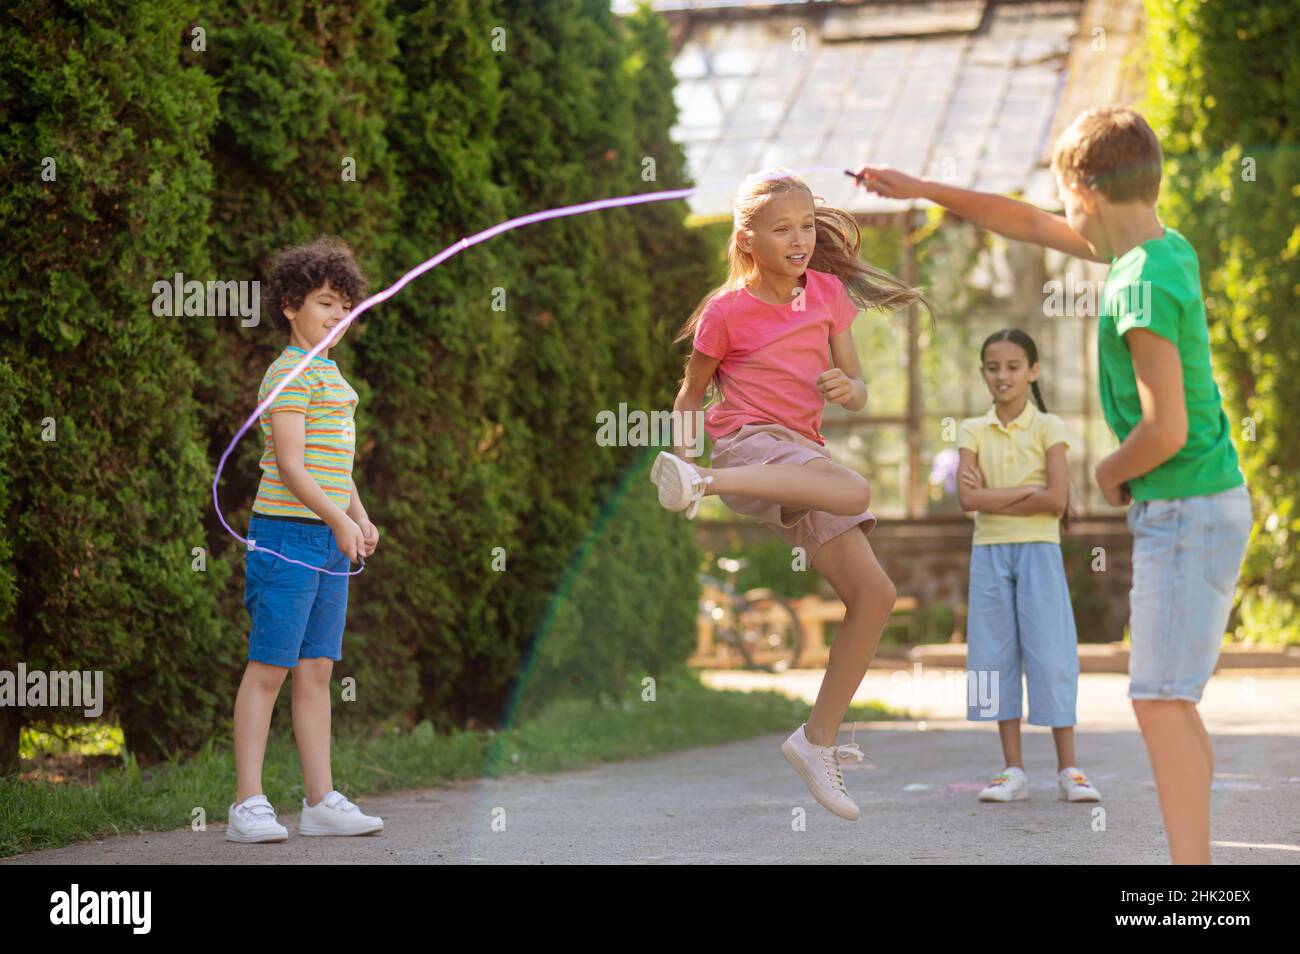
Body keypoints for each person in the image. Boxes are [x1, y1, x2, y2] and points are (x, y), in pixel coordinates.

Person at [854, 106, 1252, 863]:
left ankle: (1194, 894)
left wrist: (1106, 471)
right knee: (1174, 701)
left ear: (1087, 194)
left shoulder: (1136, 284)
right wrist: (920, 187)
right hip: (1206, 504)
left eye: (1066, 199)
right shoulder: (1164, 251)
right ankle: (1197, 881)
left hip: (1184, 507)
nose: (1062, 216)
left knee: (1161, 702)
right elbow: (1024, 223)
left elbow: (1165, 430)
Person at [651, 168, 926, 821]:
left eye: (806, 225)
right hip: (747, 447)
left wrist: (845, 390)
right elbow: (692, 392)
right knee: (853, 487)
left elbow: (857, 386)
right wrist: (685, 454)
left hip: (802, 461)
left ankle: (816, 741)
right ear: (749, 240)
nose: (799, 239)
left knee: (875, 595)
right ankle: (706, 485)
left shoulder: (827, 294)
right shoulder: (725, 312)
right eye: (782, 229)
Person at [228, 238, 384, 843]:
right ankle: (248, 803)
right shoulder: (288, 371)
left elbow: (332, 467)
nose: (336, 318)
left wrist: (358, 517)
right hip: (285, 538)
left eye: (346, 308)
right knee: (270, 668)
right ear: (291, 305)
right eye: (325, 303)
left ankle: (319, 802)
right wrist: (338, 521)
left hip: (327, 540)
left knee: (316, 668)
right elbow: (292, 465)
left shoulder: (333, 377)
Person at [956, 328, 1100, 805]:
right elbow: (966, 500)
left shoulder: (1049, 427)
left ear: (1032, 371)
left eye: (1014, 367)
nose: (1003, 375)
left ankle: (1070, 770)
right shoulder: (972, 430)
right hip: (989, 553)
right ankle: (1011, 769)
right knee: (992, 657)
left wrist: (993, 498)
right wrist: (1025, 493)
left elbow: (1056, 500)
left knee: (1052, 653)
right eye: (994, 367)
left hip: (1039, 550)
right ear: (983, 373)